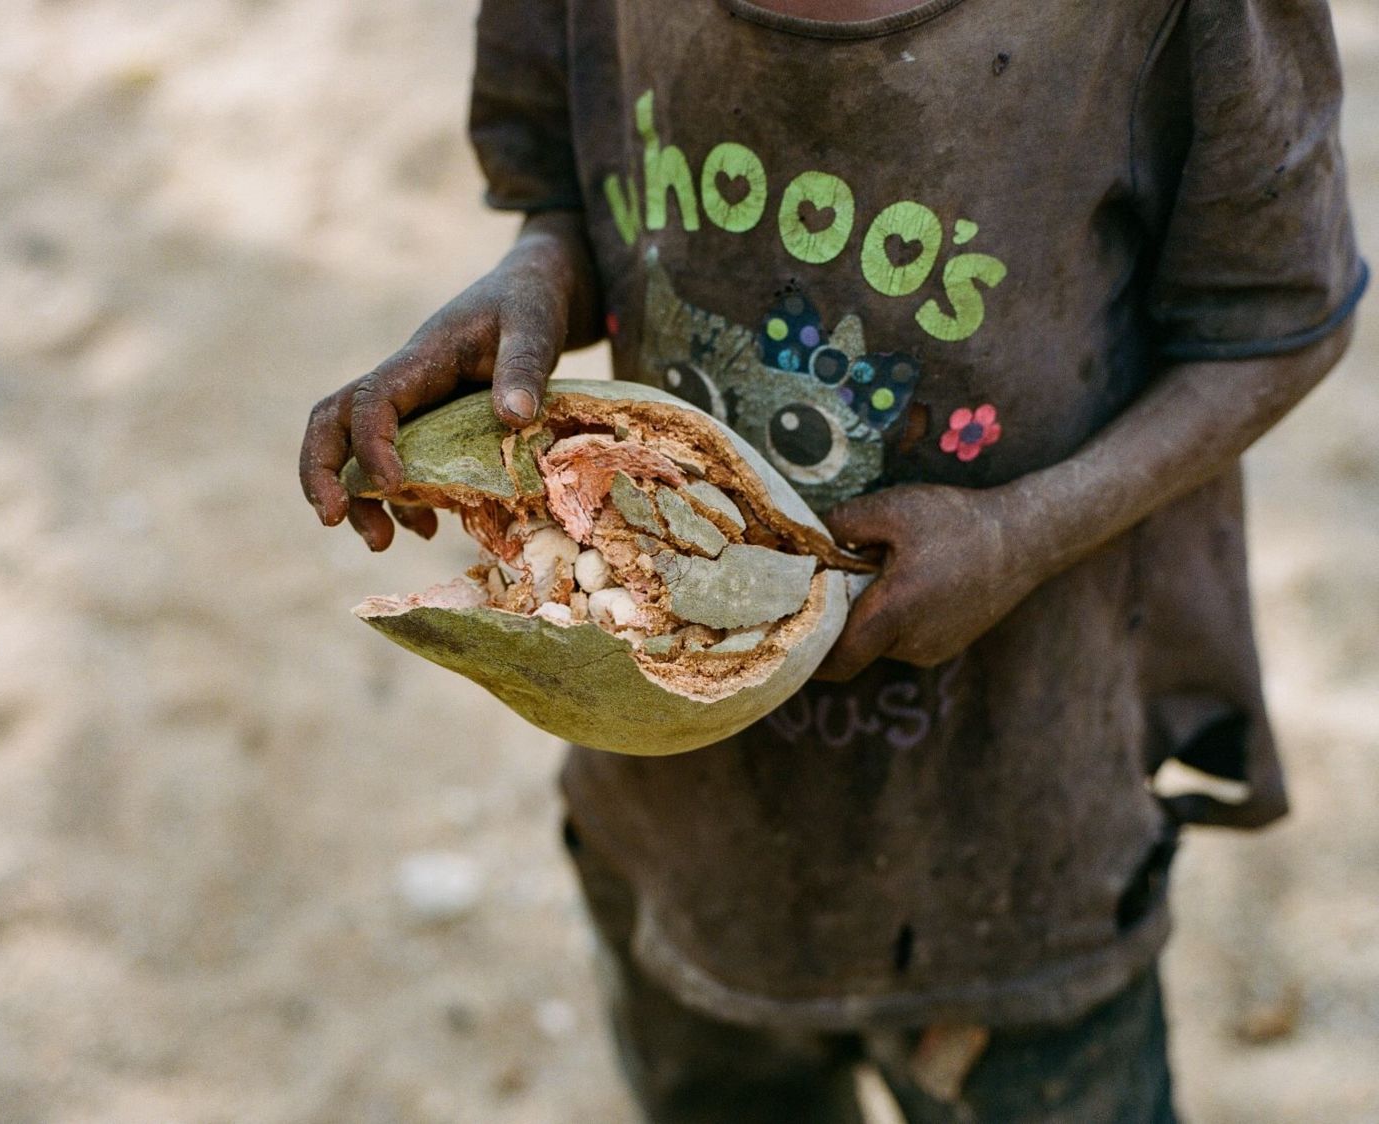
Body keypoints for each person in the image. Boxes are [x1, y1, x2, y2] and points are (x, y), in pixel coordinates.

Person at [299, 0, 1365, 1118]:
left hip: (1009, 830)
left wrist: (1023, 532)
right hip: (687, 824)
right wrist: (538, 272)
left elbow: (1275, 321)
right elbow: (565, 185)